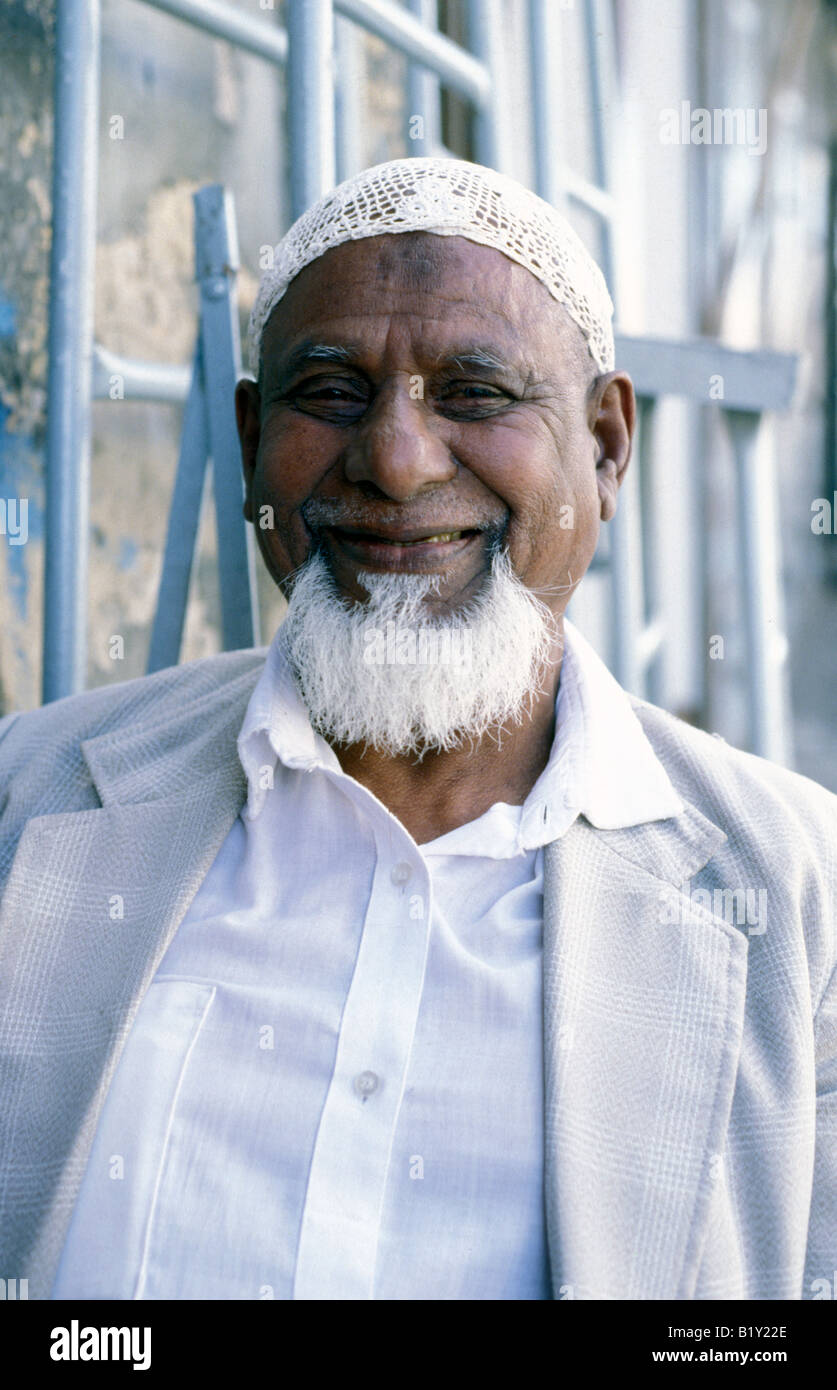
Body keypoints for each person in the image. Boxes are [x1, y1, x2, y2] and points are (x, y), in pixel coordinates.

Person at [0, 158, 834, 1302]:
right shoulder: (32, 801)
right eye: (331, 391)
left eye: (476, 394)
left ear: (604, 446)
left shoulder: (800, 903)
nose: (395, 460)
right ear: (251, 441)